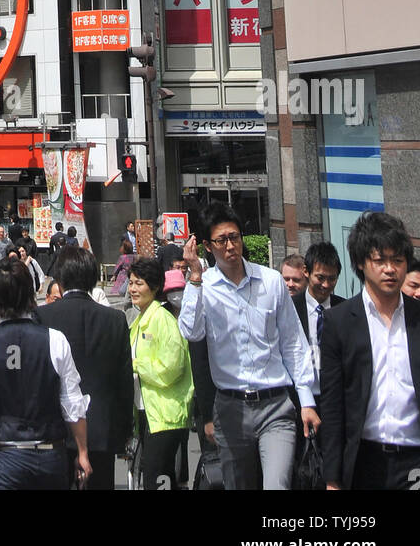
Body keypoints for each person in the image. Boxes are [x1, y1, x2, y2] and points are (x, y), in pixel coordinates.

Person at [179, 202, 318, 490]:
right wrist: (194, 276)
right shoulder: (203, 286)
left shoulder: (271, 281)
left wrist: (306, 401)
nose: (230, 246)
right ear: (207, 245)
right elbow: (191, 332)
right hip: (230, 408)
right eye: (221, 240)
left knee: (277, 485)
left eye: (235, 237)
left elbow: (294, 342)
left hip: (276, 406)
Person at [0, 259, 92, 491]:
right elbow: (73, 403)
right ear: (31, 295)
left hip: (8, 455)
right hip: (51, 453)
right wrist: (83, 452)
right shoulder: (55, 339)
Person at [321, 211, 420, 491]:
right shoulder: (339, 322)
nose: (390, 269)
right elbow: (332, 405)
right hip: (364, 459)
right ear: (360, 262)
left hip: (417, 460)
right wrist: (332, 478)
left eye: (397, 260)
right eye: (380, 260)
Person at [37, 247, 133, 490]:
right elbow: (124, 383)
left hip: (54, 431)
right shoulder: (115, 320)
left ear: (60, 279)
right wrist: (124, 433)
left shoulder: (41, 317)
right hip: (101, 432)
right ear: (93, 279)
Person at [126, 257, 193, 490]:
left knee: (158, 475)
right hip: (147, 413)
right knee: (155, 475)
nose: (133, 289)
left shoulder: (163, 320)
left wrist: (135, 364)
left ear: (154, 287)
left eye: (139, 283)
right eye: (131, 283)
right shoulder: (140, 319)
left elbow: (171, 368)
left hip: (165, 414)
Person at [291, 241, 344, 406]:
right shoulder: (291, 308)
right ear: (306, 272)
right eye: (320, 278)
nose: (326, 285)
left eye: (332, 278)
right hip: (300, 399)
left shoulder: (345, 310)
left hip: (336, 399)